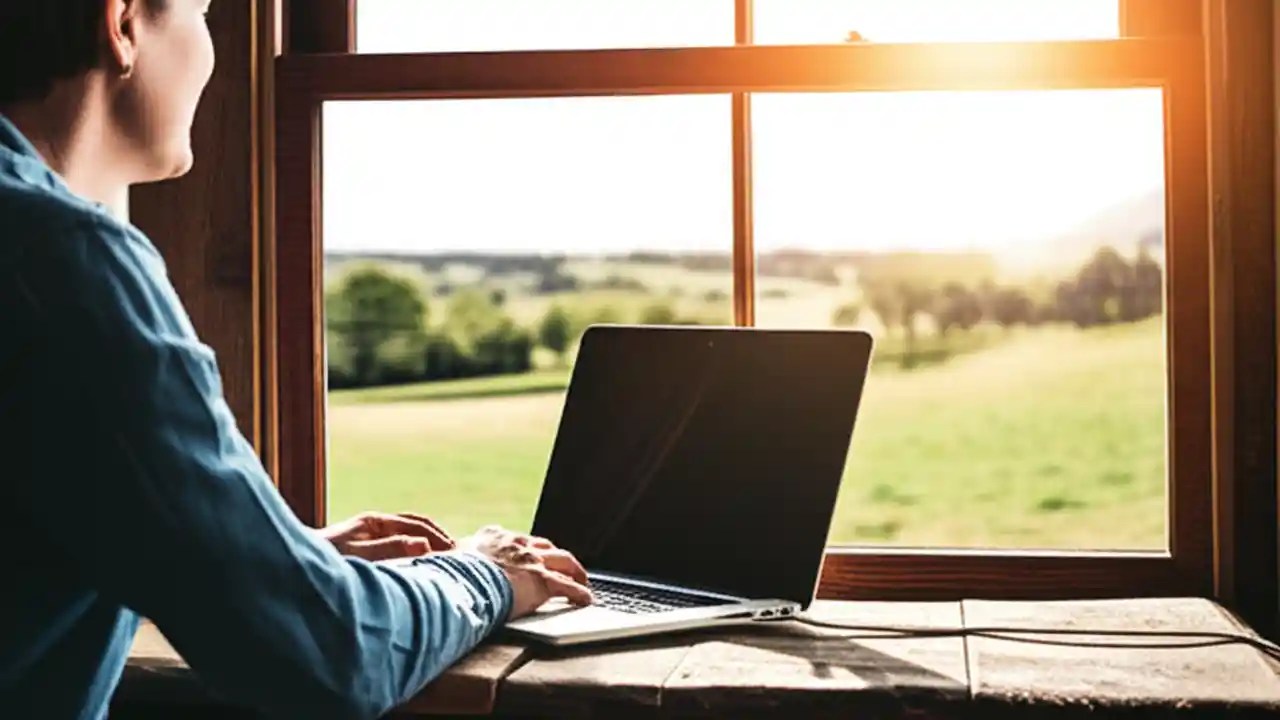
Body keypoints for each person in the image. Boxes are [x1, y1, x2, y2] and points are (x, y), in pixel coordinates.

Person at [0, 2, 593, 718]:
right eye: (204, 13)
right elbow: (329, 655)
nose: (212, 52)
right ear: (122, 24)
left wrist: (273, 560)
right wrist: (487, 573)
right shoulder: (64, 260)